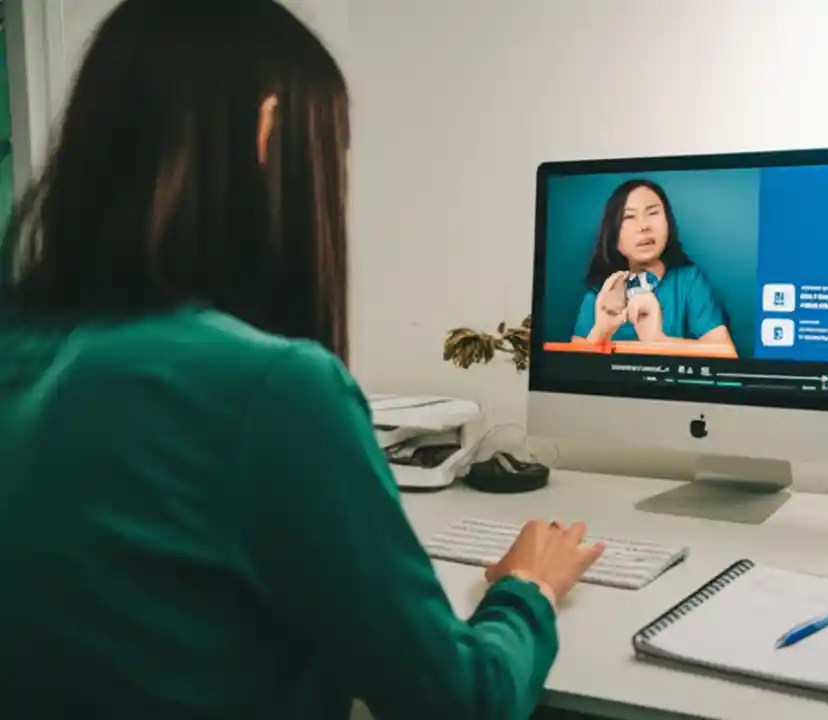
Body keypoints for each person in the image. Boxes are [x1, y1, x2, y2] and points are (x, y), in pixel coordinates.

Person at [0, 2, 602, 718]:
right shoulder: (268, 387)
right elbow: (462, 704)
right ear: (267, 130)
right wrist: (529, 588)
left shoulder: (26, 351)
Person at [571, 179, 737, 355]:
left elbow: (727, 353)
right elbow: (571, 369)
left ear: (668, 223)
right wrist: (601, 331)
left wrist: (657, 340)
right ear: (613, 236)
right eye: (629, 217)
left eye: (653, 213)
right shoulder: (600, 293)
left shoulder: (688, 281)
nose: (644, 226)